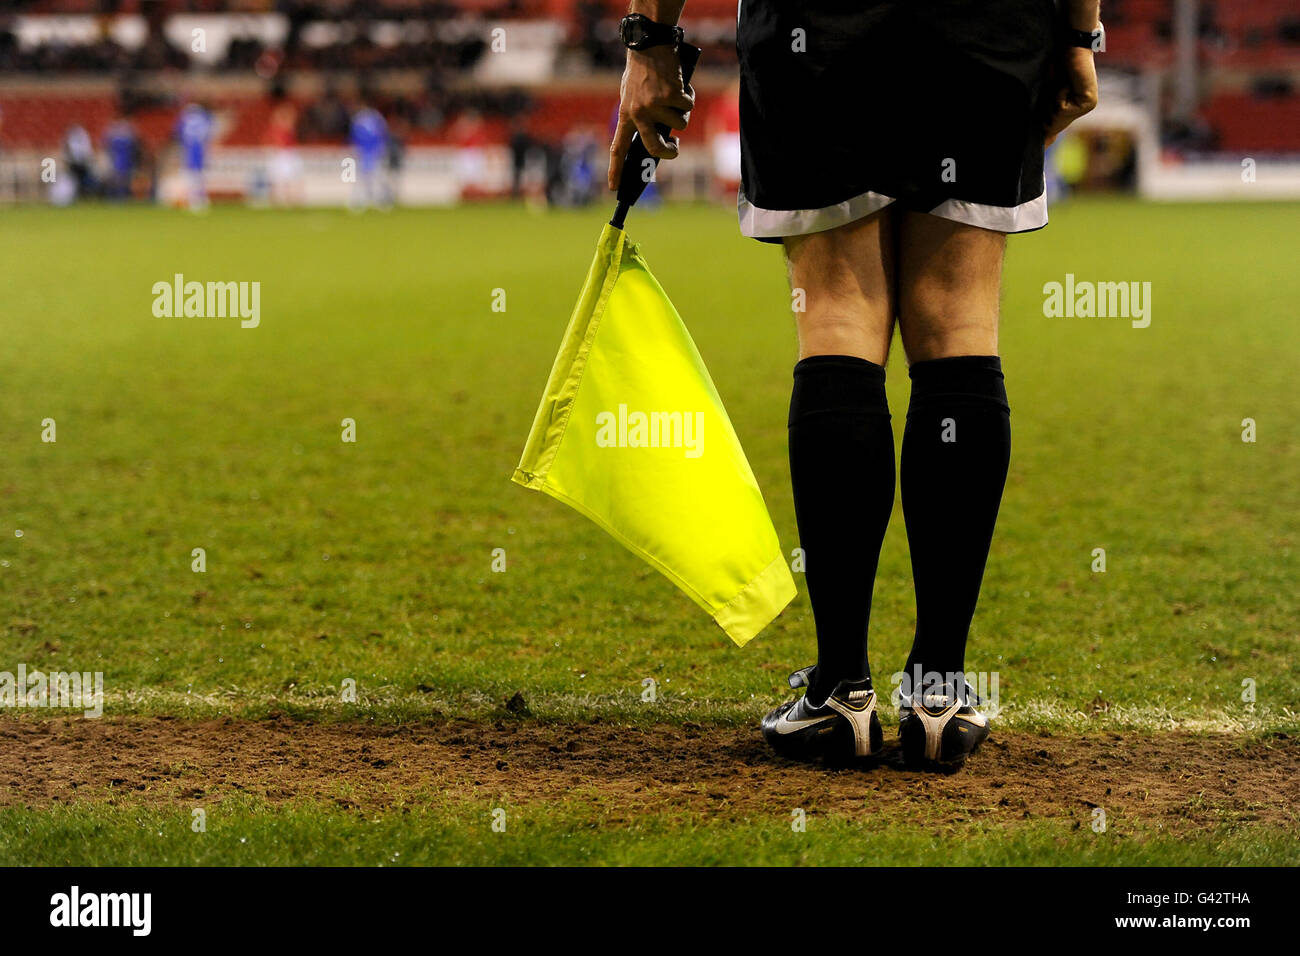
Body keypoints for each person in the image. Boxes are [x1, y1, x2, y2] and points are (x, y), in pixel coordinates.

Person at [609, 0, 1101, 770]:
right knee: (959, 324)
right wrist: (1077, 33)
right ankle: (938, 691)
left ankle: (840, 693)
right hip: (989, 25)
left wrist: (650, 39)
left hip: (820, 26)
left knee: (838, 315)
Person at [176, 101, 213, 211]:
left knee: (192, 176)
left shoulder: (185, 119)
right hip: (201, 149)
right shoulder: (204, 118)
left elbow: (177, 132)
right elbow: (208, 132)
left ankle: (195, 200)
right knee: (200, 176)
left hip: (189, 149)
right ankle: (200, 199)